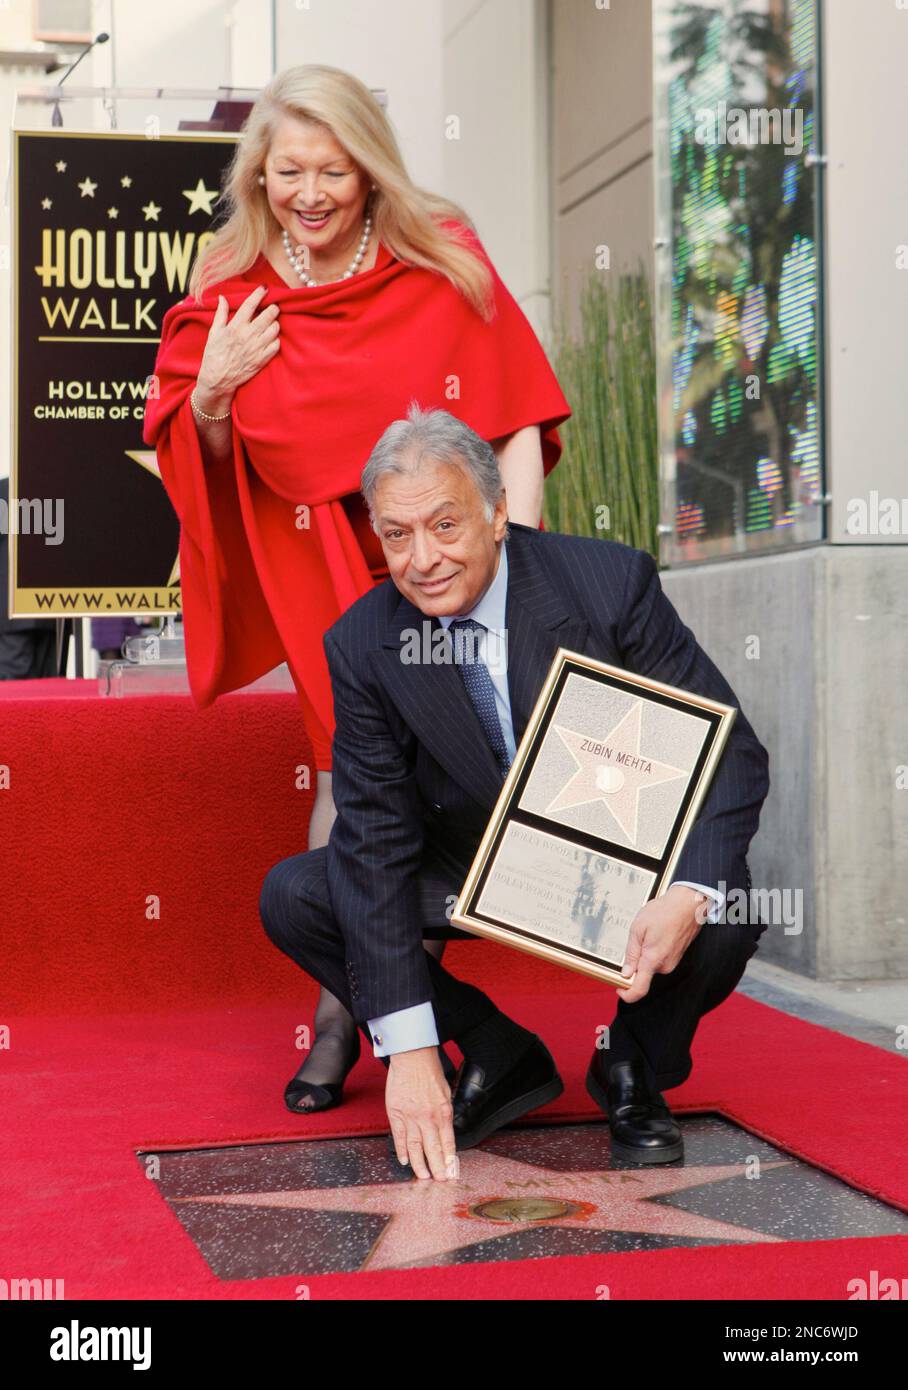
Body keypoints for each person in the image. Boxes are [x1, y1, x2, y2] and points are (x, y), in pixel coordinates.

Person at [141, 64, 571, 1113]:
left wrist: (511, 558)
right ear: (260, 176)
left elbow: (515, 411)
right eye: (288, 170)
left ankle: (586, 1028)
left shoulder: (442, 262)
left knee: (476, 777)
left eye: (332, 169)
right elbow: (194, 449)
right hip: (323, 570)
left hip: (458, 568)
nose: (311, 192)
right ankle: (347, 1016)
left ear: (369, 170)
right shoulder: (231, 293)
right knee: (348, 784)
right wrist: (213, 392)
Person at [259, 405, 771, 1182]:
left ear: (499, 513)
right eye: (396, 535)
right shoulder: (363, 643)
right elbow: (372, 845)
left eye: (445, 525)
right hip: (466, 859)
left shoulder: (608, 585)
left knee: (729, 898)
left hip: (614, 851)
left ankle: (632, 1066)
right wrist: (411, 1046)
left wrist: (687, 894)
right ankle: (496, 1051)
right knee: (299, 892)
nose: (422, 558)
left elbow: (730, 750)